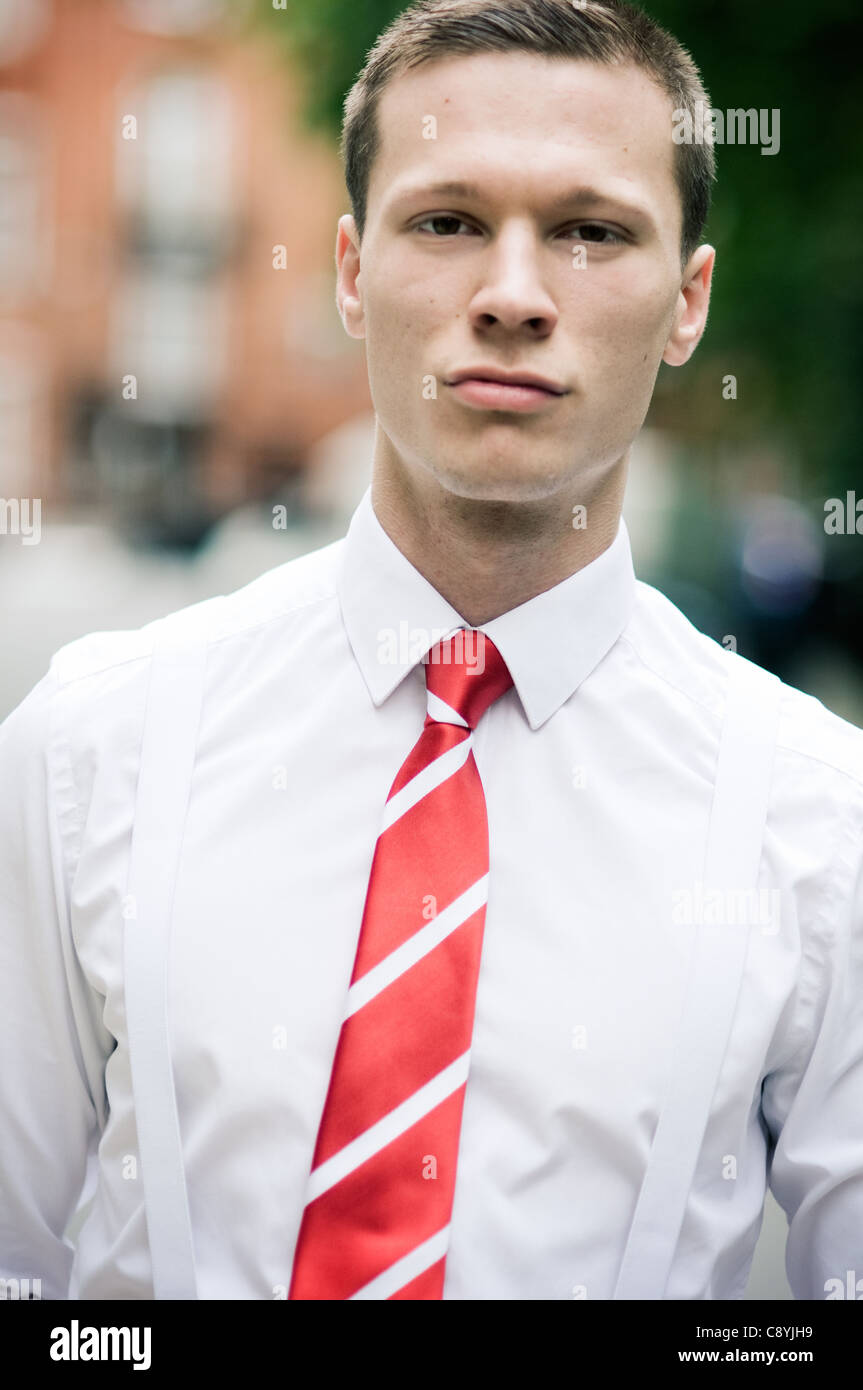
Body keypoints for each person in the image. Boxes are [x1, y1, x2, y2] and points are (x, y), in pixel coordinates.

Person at [1, 0, 861, 1303]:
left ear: (688, 302)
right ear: (351, 271)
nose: (513, 295)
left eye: (590, 230)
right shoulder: (90, 749)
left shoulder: (821, 818)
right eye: (449, 221)